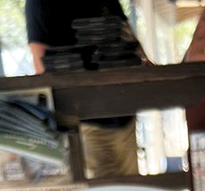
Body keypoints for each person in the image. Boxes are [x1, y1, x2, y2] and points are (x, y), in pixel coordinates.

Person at [26, 0, 145, 179]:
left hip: (122, 111)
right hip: (84, 120)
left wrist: (146, 68)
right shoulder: (40, 3)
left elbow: (126, 34)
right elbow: (41, 63)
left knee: (130, 187)